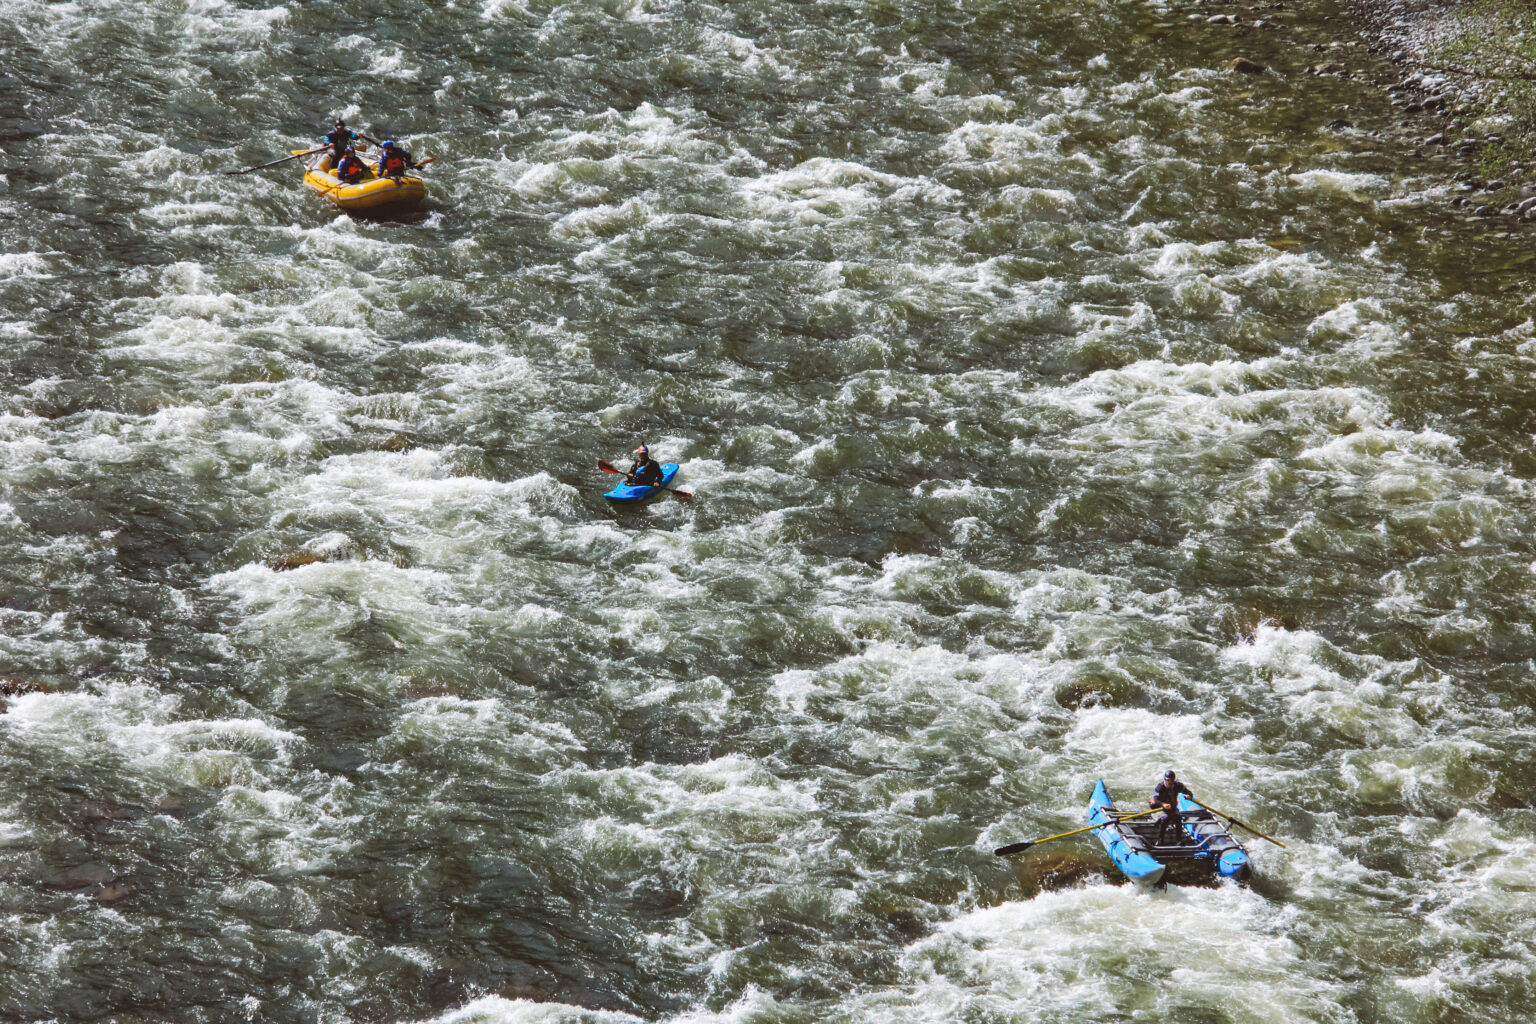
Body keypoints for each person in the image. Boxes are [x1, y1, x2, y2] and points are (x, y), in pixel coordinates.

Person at [1149, 769, 1194, 845]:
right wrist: (1163, 804)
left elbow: (1189, 793)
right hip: (1159, 808)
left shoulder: (1178, 785)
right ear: (1165, 780)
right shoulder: (1160, 787)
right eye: (1168, 780)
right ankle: (1160, 839)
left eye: (1171, 780)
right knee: (1166, 818)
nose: (1169, 782)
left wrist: (1189, 796)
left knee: (1178, 817)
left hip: (1171, 808)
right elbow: (1155, 799)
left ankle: (1179, 841)